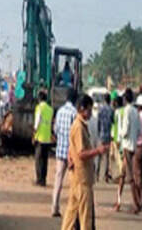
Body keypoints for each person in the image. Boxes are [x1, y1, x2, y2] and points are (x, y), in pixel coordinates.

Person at [61, 94, 109, 230]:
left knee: (71, 215)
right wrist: (98, 151)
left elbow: (72, 148)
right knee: (85, 217)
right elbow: (81, 153)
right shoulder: (79, 127)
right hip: (82, 179)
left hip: (78, 177)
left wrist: (71, 157)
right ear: (82, 109)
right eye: (89, 109)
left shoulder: (79, 125)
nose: (90, 112)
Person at [51, 88, 79, 217]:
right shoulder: (75, 113)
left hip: (60, 151)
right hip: (72, 153)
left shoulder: (60, 111)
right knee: (73, 183)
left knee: (58, 180)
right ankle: (72, 211)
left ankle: (54, 207)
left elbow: (55, 130)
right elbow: (76, 133)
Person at [116, 88, 141, 213]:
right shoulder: (136, 111)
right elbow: (139, 130)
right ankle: (119, 201)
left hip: (126, 146)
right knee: (123, 175)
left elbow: (125, 131)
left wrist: (119, 134)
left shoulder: (127, 111)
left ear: (125, 99)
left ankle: (136, 204)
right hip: (133, 145)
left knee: (129, 177)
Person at [33, 90, 54, 186]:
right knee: (45, 160)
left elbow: (37, 123)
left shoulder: (39, 108)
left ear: (39, 99)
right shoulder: (50, 109)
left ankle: (39, 180)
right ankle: (44, 180)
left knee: (38, 160)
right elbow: (51, 124)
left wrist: (34, 135)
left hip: (40, 138)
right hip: (47, 138)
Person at [95, 93, 114, 183]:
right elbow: (113, 122)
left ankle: (97, 174)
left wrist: (98, 133)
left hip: (101, 134)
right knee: (106, 157)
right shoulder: (111, 110)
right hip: (108, 135)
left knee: (99, 155)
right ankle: (105, 176)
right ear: (109, 100)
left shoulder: (100, 110)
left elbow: (98, 122)